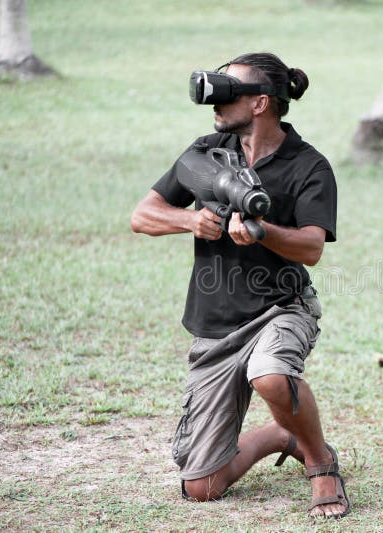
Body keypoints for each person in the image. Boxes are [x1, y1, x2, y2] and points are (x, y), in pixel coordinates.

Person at [130, 52, 348, 519]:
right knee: (201, 485)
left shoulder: (309, 166)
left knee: (270, 373)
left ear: (259, 103)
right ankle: (278, 435)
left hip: (280, 308)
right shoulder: (206, 153)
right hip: (215, 328)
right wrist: (191, 220)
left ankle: (320, 462)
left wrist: (263, 231)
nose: (215, 100)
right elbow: (142, 215)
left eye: (228, 91)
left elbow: (312, 247)